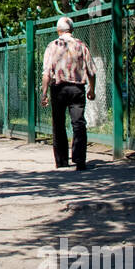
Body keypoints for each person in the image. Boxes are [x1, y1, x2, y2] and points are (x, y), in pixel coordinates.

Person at [41, 17, 96, 170]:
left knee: (58, 124)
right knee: (78, 123)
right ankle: (79, 159)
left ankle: (61, 160)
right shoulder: (81, 45)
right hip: (77, 88)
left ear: (58, 30)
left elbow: (46, 73)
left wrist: (44, 93)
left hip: (58, 88)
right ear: (71, 30)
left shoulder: (52, 46)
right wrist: (92, 89)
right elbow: (91, 71)